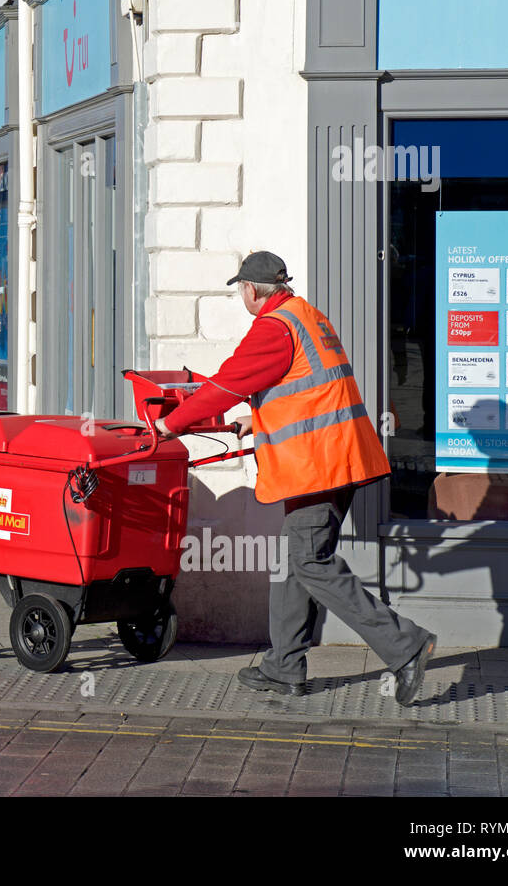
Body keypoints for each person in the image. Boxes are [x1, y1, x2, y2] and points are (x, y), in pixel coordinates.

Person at [154, 251, 436, 706]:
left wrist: (173, 423)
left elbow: (226, 385)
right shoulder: (306, 316)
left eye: (240, 289)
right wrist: (258, 420)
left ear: (250, 289)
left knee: (310, 563)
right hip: (337, 457)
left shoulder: (272, 328)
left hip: (317, 466)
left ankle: (406, 646)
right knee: (294, 562)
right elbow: (304, 389)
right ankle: (284, 666)